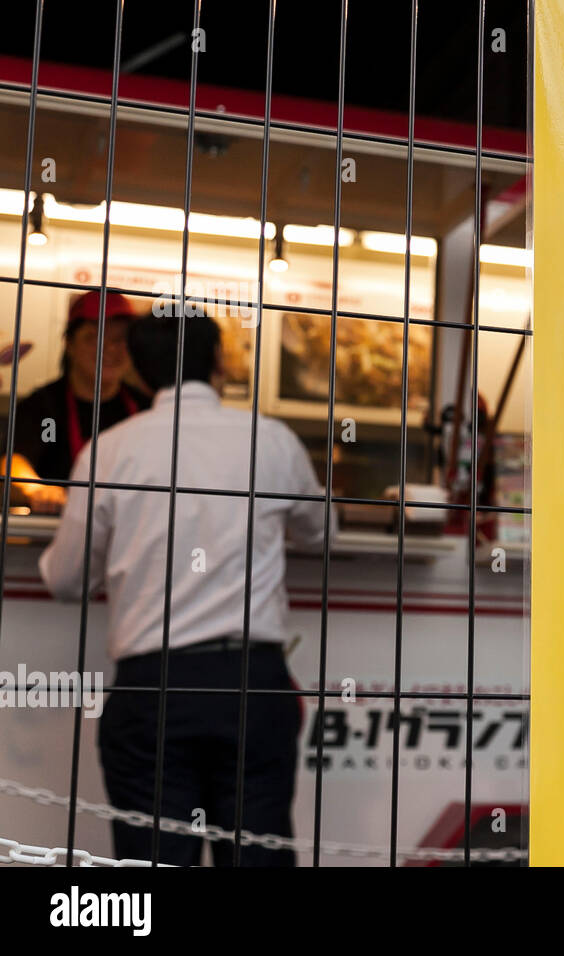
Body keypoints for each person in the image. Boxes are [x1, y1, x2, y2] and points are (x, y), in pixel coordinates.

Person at [39, 309, 333, 867]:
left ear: (141, 373)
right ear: (219, 362)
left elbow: (67, 579)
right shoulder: (270, 440)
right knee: (257, 858)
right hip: (252, 684)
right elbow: (322, 533)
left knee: (152, 866)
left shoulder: (110, 450)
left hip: (153, 692)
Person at [5, 290, 150, 513]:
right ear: (69, 344)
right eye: (94, 337)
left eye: (119, 339)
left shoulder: (145, 408)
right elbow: (13, 462)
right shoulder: (45, 407)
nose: (109, 348)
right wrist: (36, 489)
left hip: (126, 533)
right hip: (57, 531)